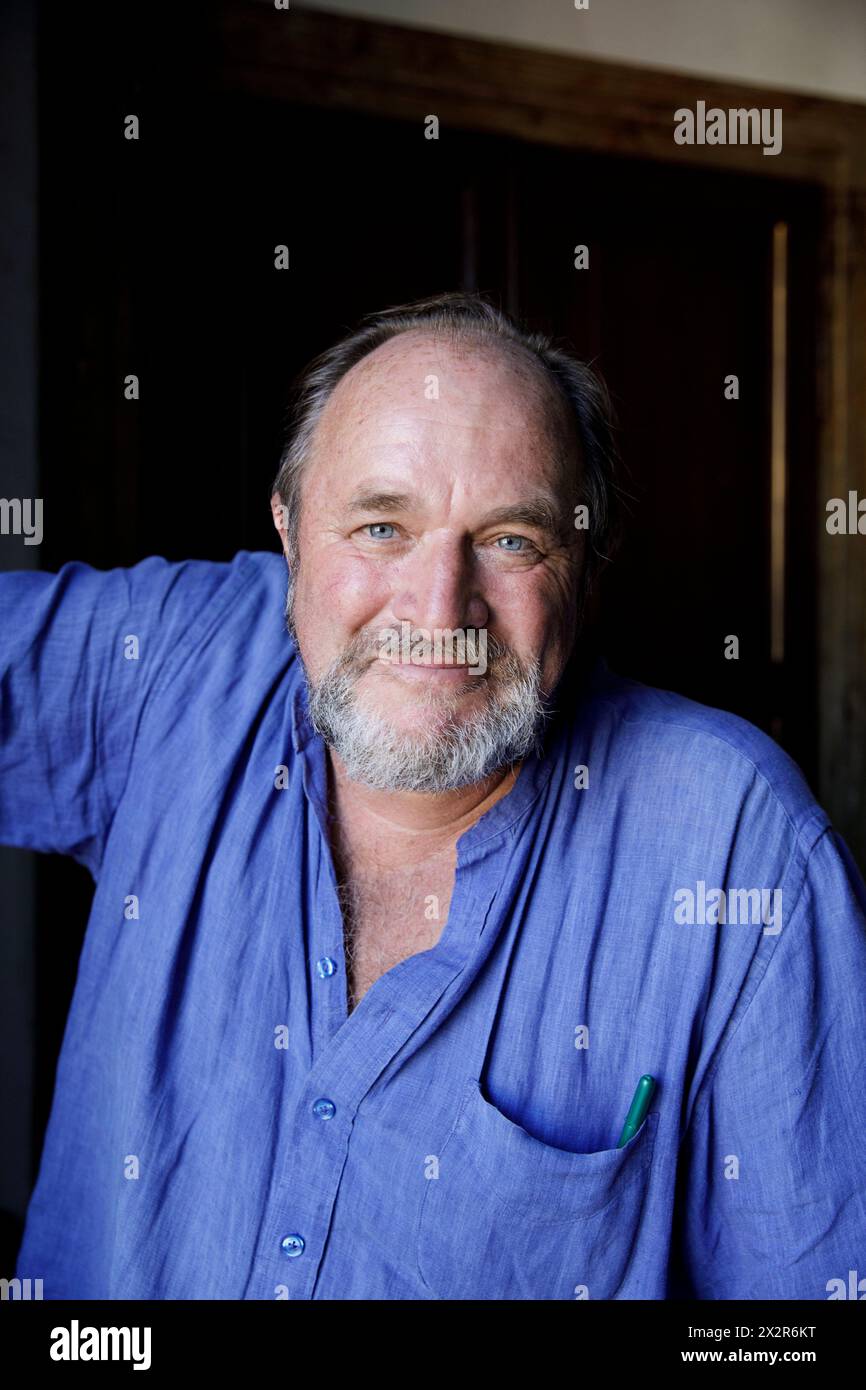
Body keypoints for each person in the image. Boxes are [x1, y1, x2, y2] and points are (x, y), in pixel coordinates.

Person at [4, 292, 865, 1300]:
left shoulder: (736, 846)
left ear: (586, 569)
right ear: (287, 531)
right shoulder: (174, 662)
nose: (437, 610)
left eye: (509, 541)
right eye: (379, 525)